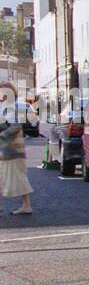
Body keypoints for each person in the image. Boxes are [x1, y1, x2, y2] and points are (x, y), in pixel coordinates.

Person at [0, 83, 34, 216]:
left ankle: (26, 205)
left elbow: (16, 126)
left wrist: (2, 134)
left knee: (19, 178)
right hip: (6, 150)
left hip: (13, 151)